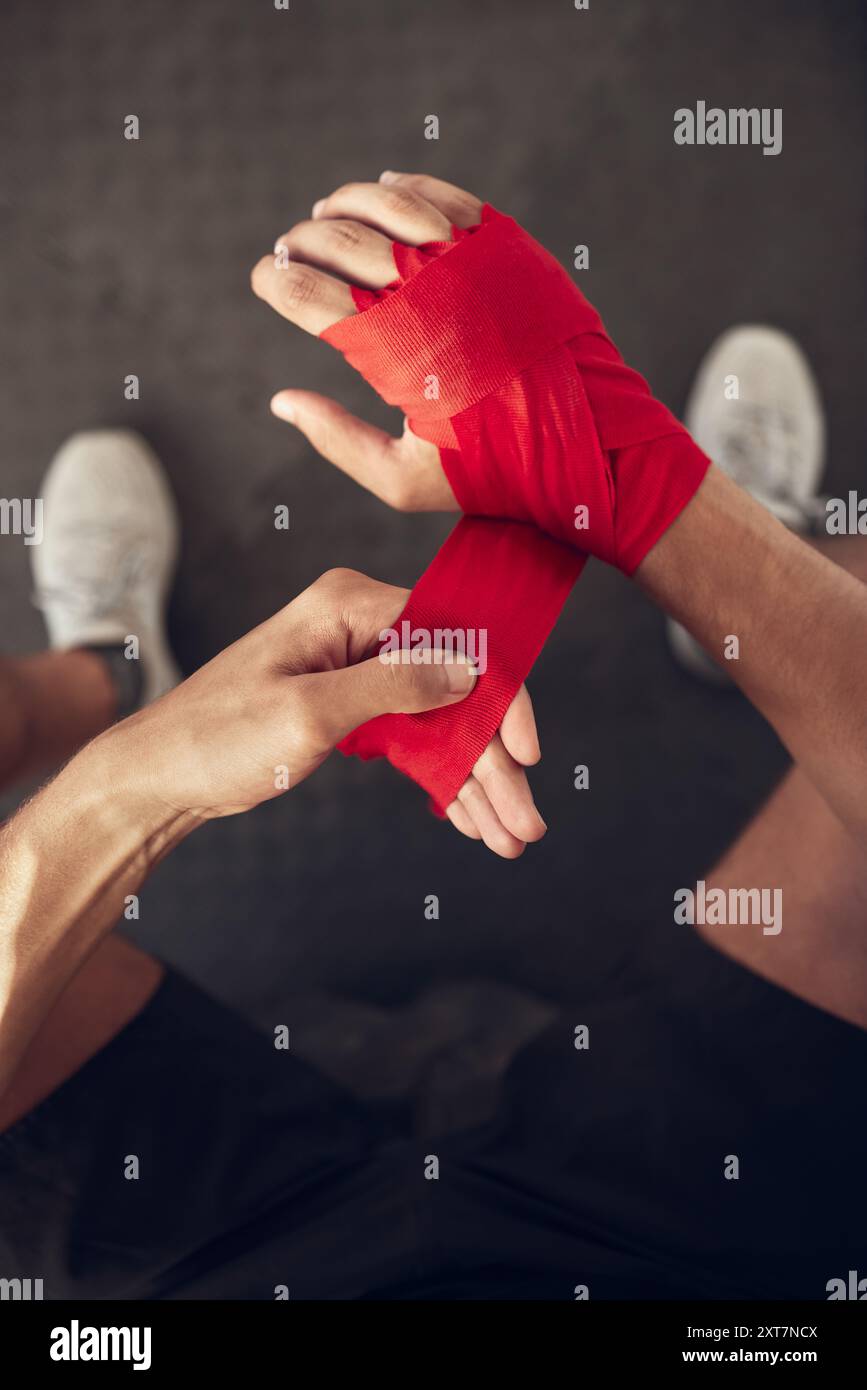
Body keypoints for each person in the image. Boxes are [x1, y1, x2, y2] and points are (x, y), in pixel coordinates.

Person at [1, 173, 865, 1300]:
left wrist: (125, 784)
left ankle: (101, 677)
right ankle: (739, 570)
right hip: (698, 1267)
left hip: (207, 1267)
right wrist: (630, 477)